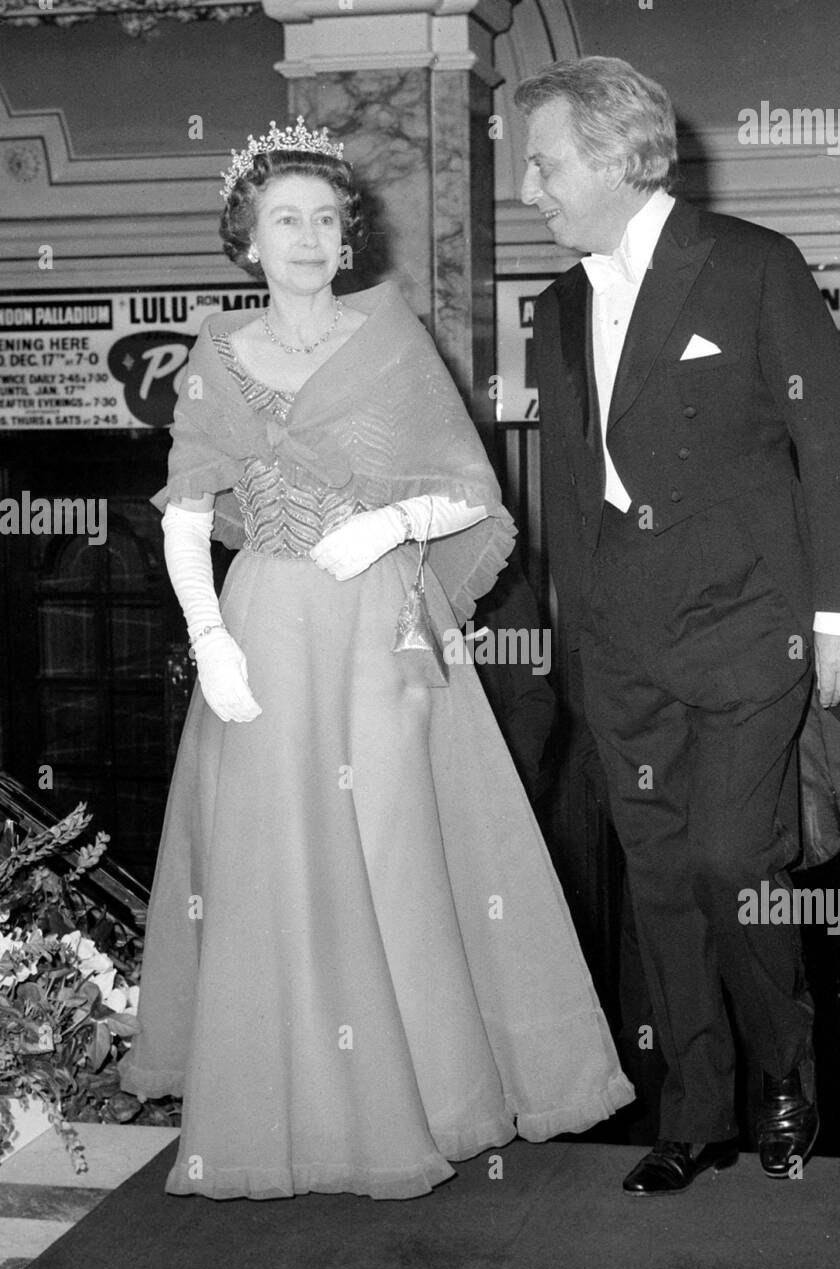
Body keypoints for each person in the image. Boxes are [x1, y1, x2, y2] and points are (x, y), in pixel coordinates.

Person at [119, 117, 633, 1201]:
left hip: (380, 629)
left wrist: (394, 529)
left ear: (348, 237)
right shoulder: (214, 352)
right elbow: (182, 510)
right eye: (283, 221)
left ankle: (423, 1104)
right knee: (273, 865)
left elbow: (469, 491)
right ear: (247, 240)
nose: (307, 237)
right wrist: (208, 636)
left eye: (324, 219)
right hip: (264, 625)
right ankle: (289, 1117)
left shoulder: (392, 337)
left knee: (395, 855)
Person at [515, 58, 840, 1193]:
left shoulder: (750, 264)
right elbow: (571, 489)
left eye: (545, 161)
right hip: (622, 640)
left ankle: (783, 1071)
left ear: (620, 154)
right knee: (662, 878)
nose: (530, 185)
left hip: (750, 626)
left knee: (736, 859)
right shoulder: (558, 306)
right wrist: (573, 640)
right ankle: (694, 1112)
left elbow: (831, 441)